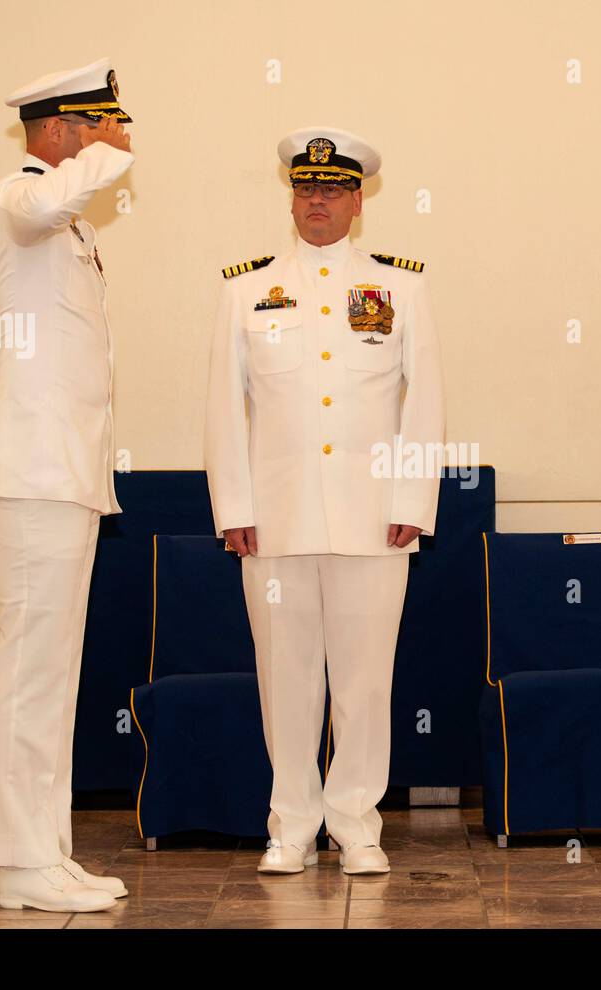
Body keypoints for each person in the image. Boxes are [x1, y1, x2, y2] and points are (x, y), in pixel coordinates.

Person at [206, 127, 445, 875]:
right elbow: (223, 408)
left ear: (358, 200)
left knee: (365, 682)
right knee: (286, 679)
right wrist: (233, 508)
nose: (319, 199)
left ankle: (357, 825)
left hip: (376, 518)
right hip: (274, 521)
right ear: (291, 198)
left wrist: (414, 498)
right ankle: (291, 826)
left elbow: (425, 404)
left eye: (334, 188)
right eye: (306, 187)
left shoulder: (402, 286)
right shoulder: (246, 289)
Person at [0, 57, 133, 912]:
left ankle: (47, 852)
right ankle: (21, 861)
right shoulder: (19, 197)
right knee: (30, 668)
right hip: (35, 470)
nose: (120, 137)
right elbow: (40, 204)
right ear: (64, 128)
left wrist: (98, 152)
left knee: (53, 673)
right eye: (105, 123)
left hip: (66, 472)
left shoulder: (72, 229)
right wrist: (104, 156)